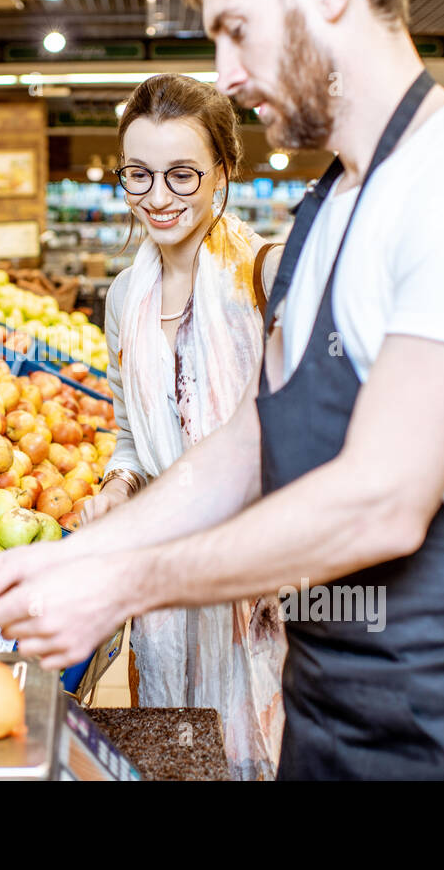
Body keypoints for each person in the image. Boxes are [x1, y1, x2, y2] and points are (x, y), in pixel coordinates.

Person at [0, 0, 444, 780]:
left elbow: (382, 500)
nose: (225, 72)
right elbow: (255, 442)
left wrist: (121, 584)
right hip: (330, 704)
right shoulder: (333, 209)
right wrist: (71, 556)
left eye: (235, 29)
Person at [86, 73, 285, 780]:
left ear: (223, 171)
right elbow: (130, 434)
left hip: (263, 584)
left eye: (181, 174)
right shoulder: (124, 297)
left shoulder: (259, 277)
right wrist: (118, 483)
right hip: (167, 590)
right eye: (138, 175)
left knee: (259, 755)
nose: (158, 197)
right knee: (179, 755)